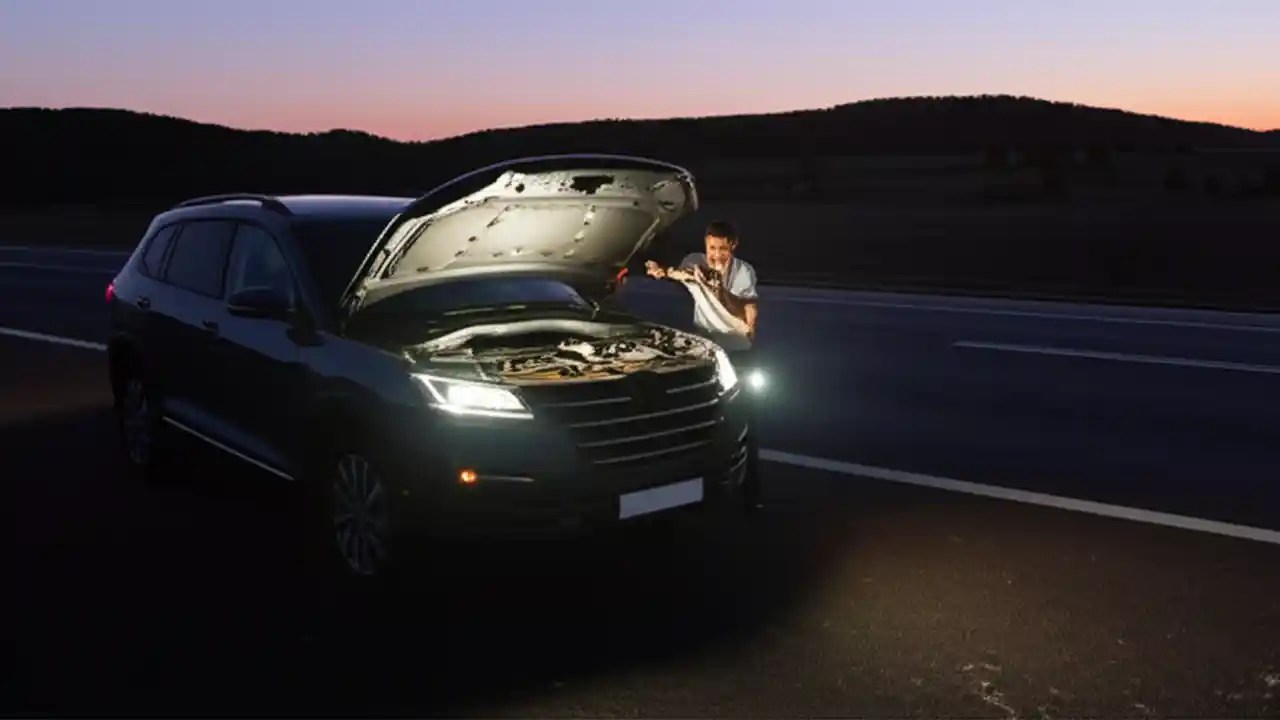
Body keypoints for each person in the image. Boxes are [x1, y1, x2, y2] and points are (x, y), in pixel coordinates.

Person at [645, 220, 763, 510]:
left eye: (723, 249)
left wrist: (719, 288)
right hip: (706, 353)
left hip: (737, 351)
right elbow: (683, 274)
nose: (716, 254)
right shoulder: (695, 262)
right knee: (698, 418)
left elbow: (746, 309)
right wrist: (663, 272)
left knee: (746, 420)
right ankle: (690, 488)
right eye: (712, 247)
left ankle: (751, 492)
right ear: (705, 244)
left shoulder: (742, 272)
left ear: (733, 247)